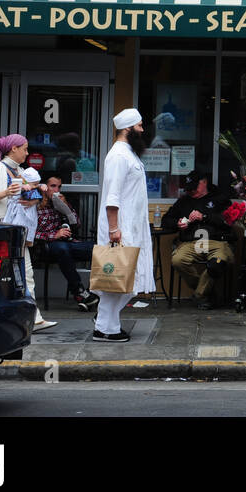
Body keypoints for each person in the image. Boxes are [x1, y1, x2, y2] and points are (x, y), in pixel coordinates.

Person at [0, 133, 55, 332]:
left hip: (17, 230)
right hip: (0, 228)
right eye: (25, 148)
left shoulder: (22, 171)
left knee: (26, 272)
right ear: (13, 149)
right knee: (3, 275)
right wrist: (7, 192)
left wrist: (35, 199)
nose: (27, 152)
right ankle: (7, 318)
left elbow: (33, 196)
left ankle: (35, 318)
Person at [93, 108, 155, 343]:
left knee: (129, 280)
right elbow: (113, 196)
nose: (142, 130)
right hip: (120, 227)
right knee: (117, 278)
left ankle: (105, 323)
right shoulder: (118, 156)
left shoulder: (128, 153)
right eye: (139, 126)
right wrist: (113, 229)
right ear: (128, 129)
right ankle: (105, 327)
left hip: (131, 226)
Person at [162, 171, 236, 309]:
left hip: (217, 241)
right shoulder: (184, 201)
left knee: (217, 263)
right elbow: (165, 220)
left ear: (204, 182)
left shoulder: (219, 198)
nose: (191, 191)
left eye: (194, 187)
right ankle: (207, 293)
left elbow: (228, 221)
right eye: (188, 188)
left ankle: (200, 295)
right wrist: (177, 223)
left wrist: (205, 217)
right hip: (191, 242)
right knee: (178, 260)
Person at [34, 175, 99, 312]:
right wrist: (54, 235)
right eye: (53, 186)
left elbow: (77, 224)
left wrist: (66, 207)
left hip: (68, 243)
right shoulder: (35, 204)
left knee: (99, 250)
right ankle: (79, 291)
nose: (56, 190)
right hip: (47, 245)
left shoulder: (59, 203)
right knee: (62, 249)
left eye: (59, 187)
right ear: (45, 187)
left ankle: (92, 291)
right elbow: (31, 232)